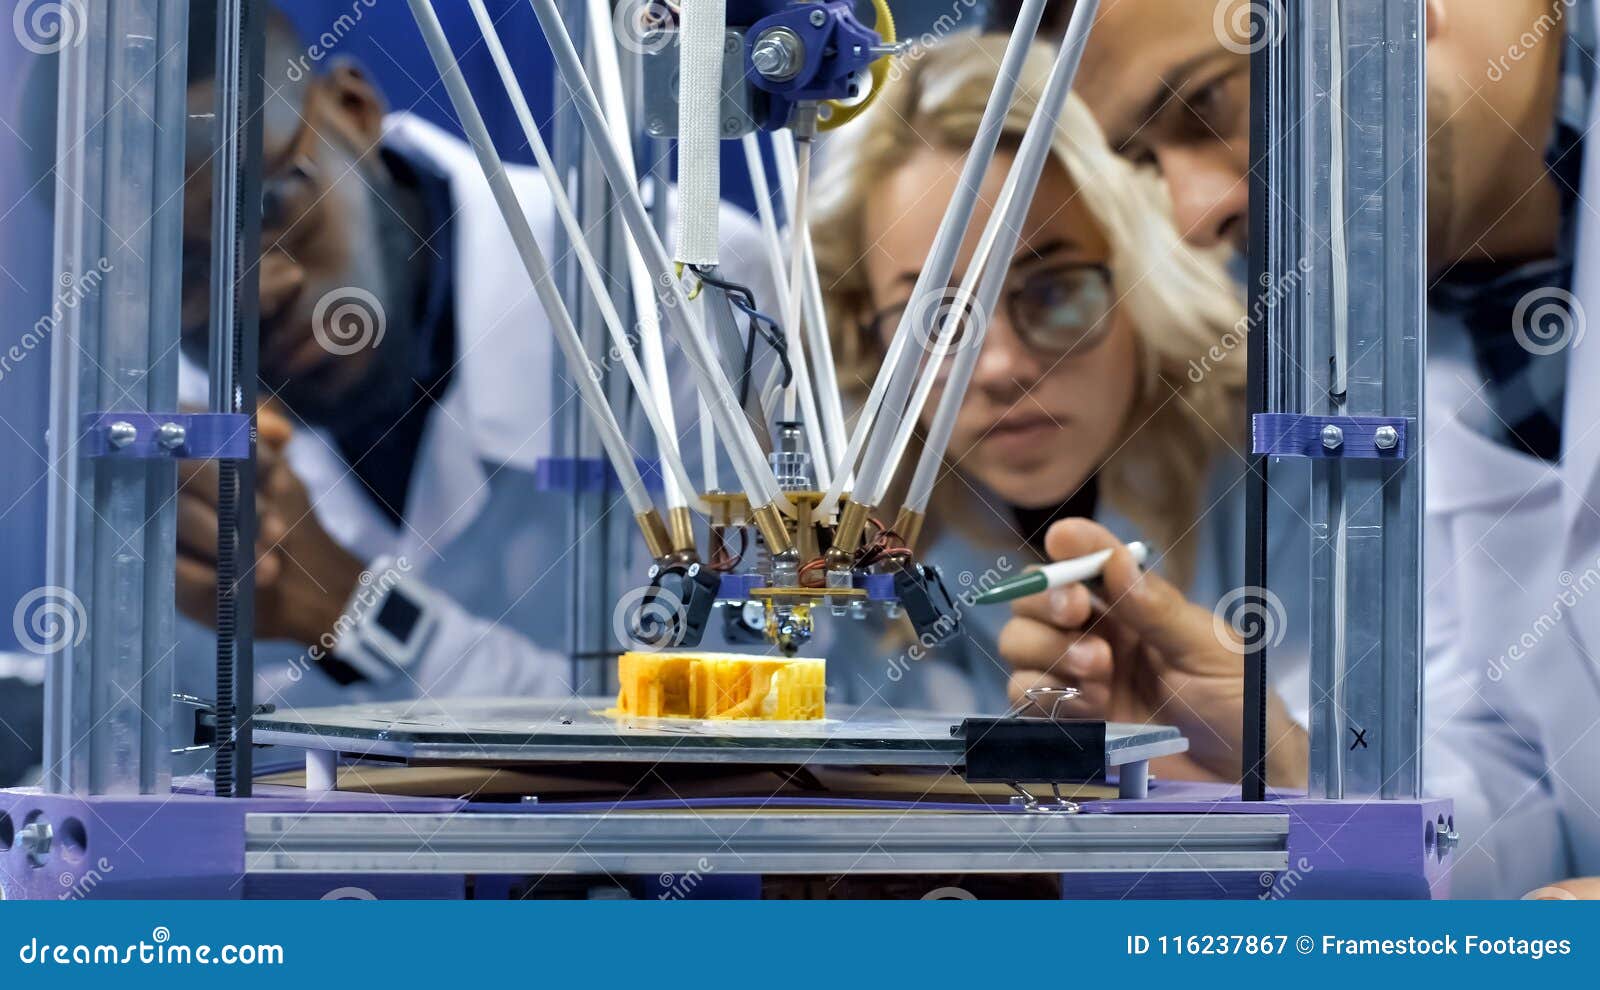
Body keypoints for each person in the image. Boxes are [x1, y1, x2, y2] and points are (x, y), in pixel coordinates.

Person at [985, 0, 1596, 896]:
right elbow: (1538, 784)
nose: (1194, 216)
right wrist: (1284, 765)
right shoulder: (1415, 325)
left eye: (1208, 104)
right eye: (1147, 158)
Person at [174, 8, 768, 714]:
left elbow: (743, 712)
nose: (259, 289)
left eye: (272, 202)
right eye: (181, 269)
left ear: (354, 111)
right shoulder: (176, 421)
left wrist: (352, 610)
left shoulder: (683, 294)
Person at [809, 31, 1313, 785]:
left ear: (1142, 273)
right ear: (868, 334)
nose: (999, 368)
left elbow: (1459, 811)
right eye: (935, 320)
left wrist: (1277, 773)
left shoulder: (1293, 476)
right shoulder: (843, 559)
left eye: (1054, 291)